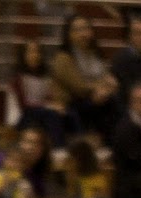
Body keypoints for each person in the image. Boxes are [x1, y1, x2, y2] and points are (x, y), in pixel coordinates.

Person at [51, 11, 120, 143]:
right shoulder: (63, 57)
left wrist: (106, 88)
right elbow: (79, 87)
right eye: (77, 30)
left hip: (96, 98)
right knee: (110, 103)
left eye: (86, 28)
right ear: (69, 34)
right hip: (73, 102)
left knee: (115, 99)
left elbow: (108, 77)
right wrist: (102, 87)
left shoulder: (95, 53)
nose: (83, 34)